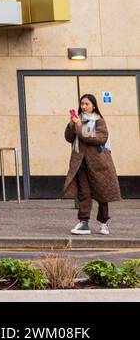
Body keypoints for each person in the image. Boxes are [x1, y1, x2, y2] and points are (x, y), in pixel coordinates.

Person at [64, 93, 121, 235]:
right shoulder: (78, 120)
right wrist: (72, 125)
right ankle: (84, 223)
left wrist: (78, 126)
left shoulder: (99, 121)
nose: (83, 106)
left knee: (102, 193)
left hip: (99, 163)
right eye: (82, 104)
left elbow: (98, 139)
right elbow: (69, 138)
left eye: (86, 104)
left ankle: (104, 223)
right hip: (81, 163)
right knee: (84, 193)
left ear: (93, 106)